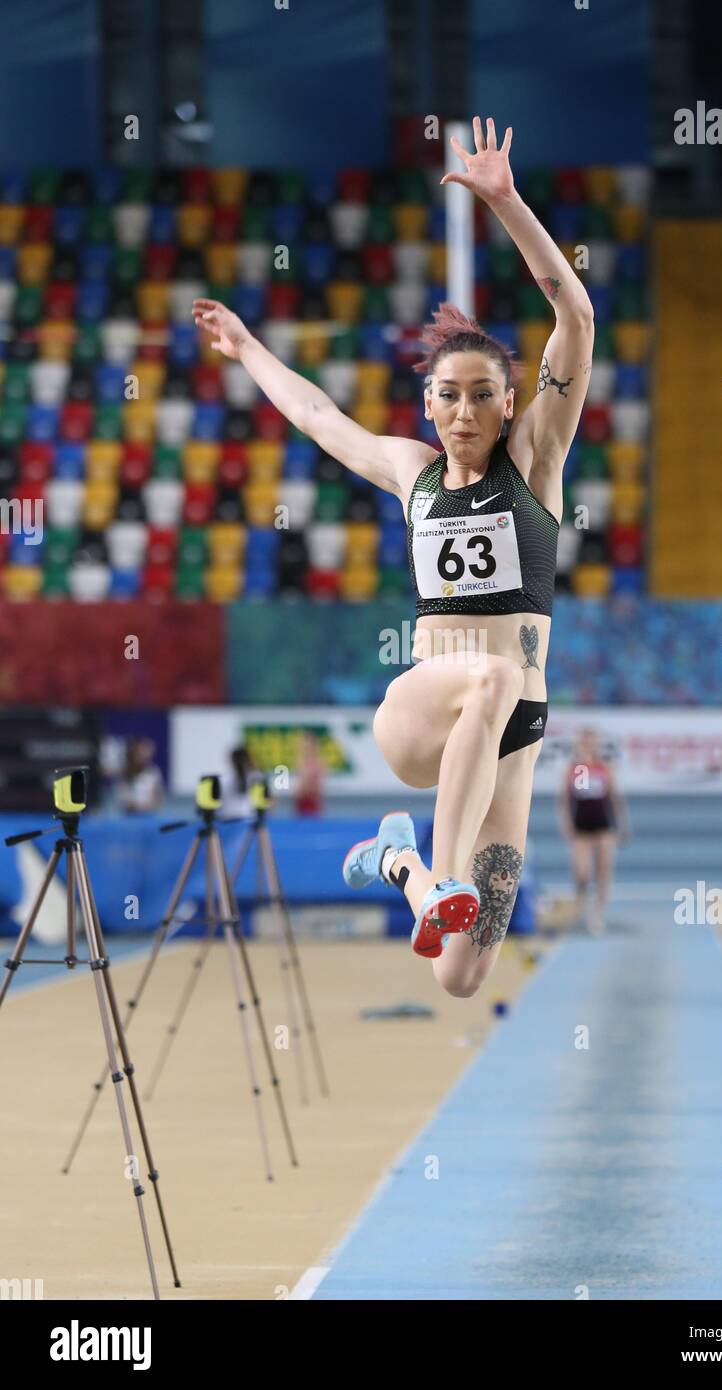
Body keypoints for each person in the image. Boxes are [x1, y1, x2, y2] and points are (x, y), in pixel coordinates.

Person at [192, 116, 594, 997]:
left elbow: (575, 310)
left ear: (508, 401)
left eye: (482, 396)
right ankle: (441, 877)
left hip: (513, 745)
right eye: (448, 397)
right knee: (489, 674)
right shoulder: (412, 474)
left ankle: (402, 865)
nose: (464, 413)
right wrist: (248, 347)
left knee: (461, 973)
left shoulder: (536, 462)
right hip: (423, 713)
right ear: (427, 404)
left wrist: (506, 201)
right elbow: (316, 418)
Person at [558, 728, 629, 935]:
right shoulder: (572, 768)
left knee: (604, 869)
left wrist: (623, 825)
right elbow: (563, 799)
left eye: (592, 741)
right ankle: (581, 903)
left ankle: (597, 914)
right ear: (580, 743)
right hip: (581, 824)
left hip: (604, 824)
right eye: (585, 741)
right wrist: (566, 822)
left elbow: (615, 796)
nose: (589, 744)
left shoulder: (605, 766)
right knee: (582, 872)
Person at [116, 737, 165, 814]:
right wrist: (136, 807)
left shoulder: (154, 772)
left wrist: (150, 806)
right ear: (132, 755)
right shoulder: (124, 774)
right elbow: (123, 801)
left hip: (149, 815)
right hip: (129, 817)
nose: (142, 758)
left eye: (144, 754)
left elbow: (158, 798)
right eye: (138, 754)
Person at [294, 730, 325, 816]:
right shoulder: (300, 761)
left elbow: (320, 788)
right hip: (301, 801)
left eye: (308, 744)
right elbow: (299, 787)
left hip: (313, 801)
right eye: (304, 744)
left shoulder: (319, 762)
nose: (305, 746)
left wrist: (308, 788)